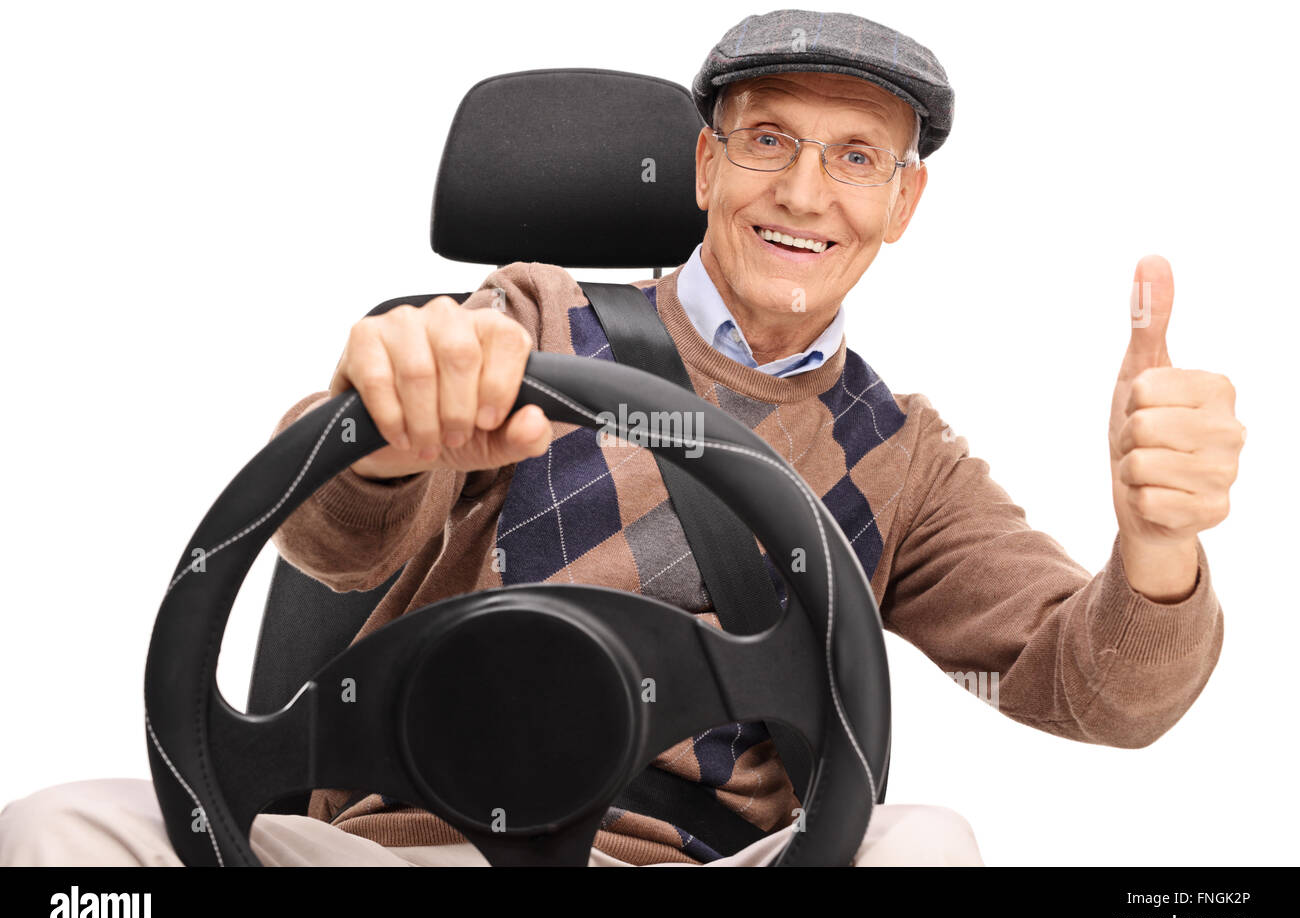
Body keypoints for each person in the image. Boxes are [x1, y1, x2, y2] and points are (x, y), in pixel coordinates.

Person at [0, 9, 1242, 867]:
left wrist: (1157, 549)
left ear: (902, 202)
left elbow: (1097, 690)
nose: (806, 194)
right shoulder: (527, 317)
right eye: (768, 141)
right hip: (396, 848)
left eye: (857, 157)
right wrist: (383, 427)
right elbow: (340, 534)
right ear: (704, 166)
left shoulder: (904, 454)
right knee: (61, 834)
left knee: (930, 845)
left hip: (702, 867)